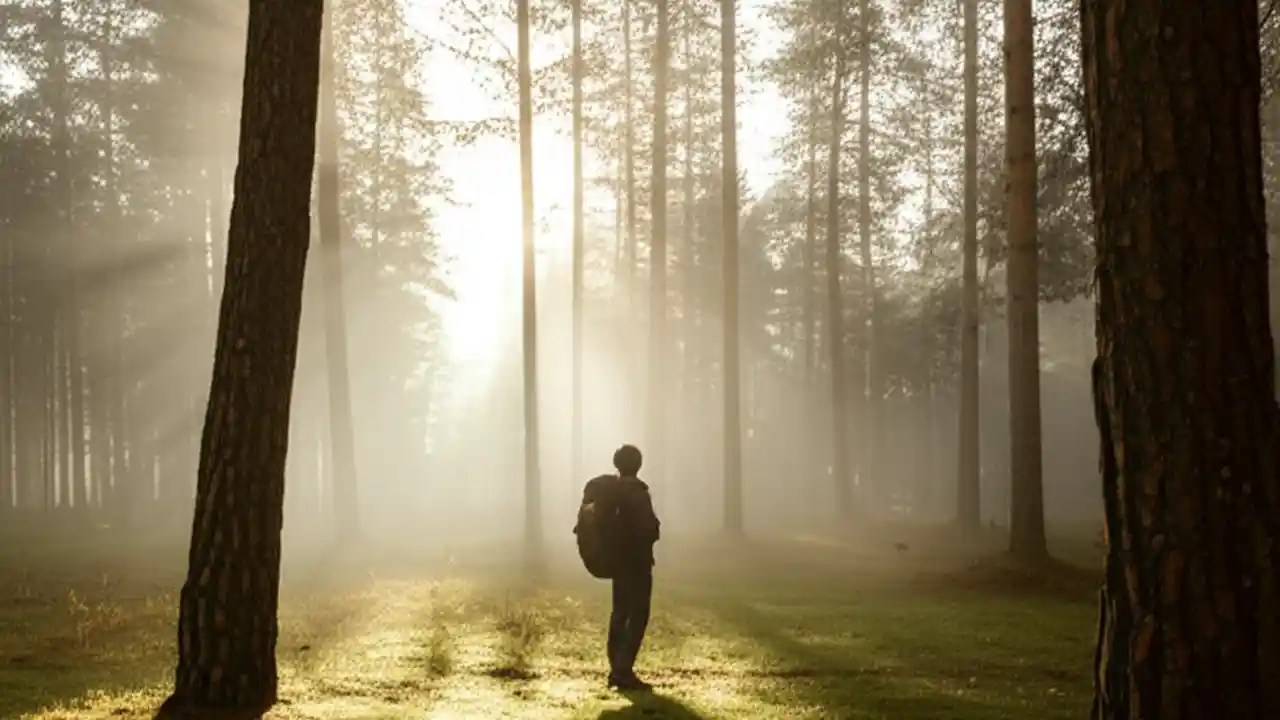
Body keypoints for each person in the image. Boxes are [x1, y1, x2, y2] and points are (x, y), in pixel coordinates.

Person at [602, 444, 660, 690]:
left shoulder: (612, 491)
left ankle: (616, 667)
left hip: (619, 563)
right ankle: (623, 670)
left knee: (619, 613)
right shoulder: (637, 492)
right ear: (638, 464)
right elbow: (649, 529)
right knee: (638, 615)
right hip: (637, 563)